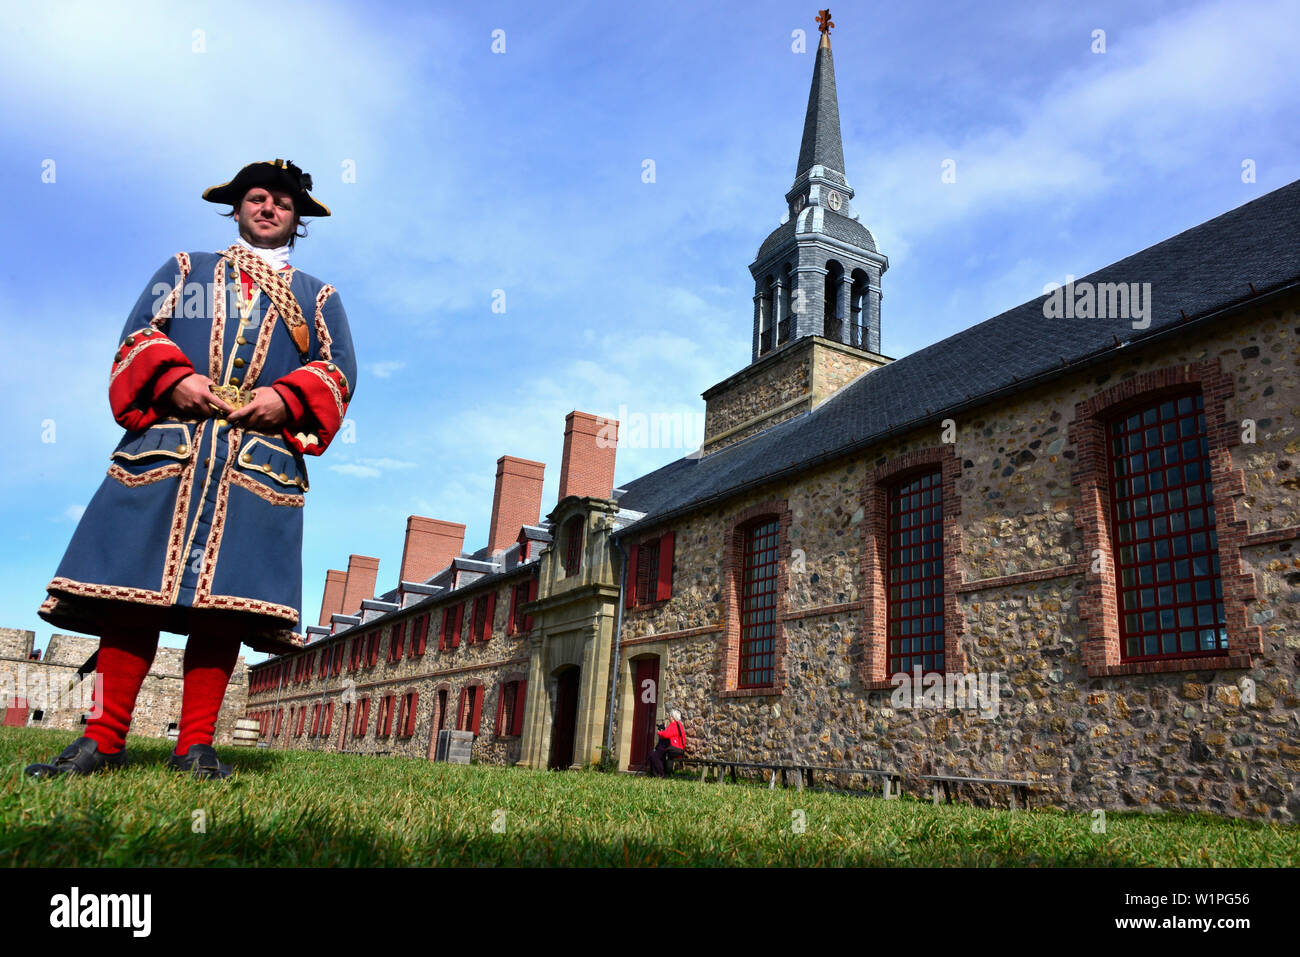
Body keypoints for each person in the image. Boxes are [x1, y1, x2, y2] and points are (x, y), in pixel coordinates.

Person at [25, 159, 356, 780]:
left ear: (297, 220)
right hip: (169, 448)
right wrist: (175, 379)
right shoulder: (186, 270)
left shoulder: (319, 296)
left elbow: (338, 371)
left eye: (281, 204)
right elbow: (137, 337)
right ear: (235, 208)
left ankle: (196, 747)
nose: (267, 208)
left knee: (223, 606)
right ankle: (102, 739)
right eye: (256, 198)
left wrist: (284, 398)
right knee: (131, 597)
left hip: (256, 459)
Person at [646, 708, 687, 777]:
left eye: (670, 716)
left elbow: (665, 734)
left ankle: (661, 774)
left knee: (655, 755)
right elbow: (668, 734)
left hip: (675, 749)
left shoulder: (674, 725)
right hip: (678, 748)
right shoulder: (679, 724)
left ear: (673, 718)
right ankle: (658, 773)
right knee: (658, 754)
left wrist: (659, 732)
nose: (669, 718)